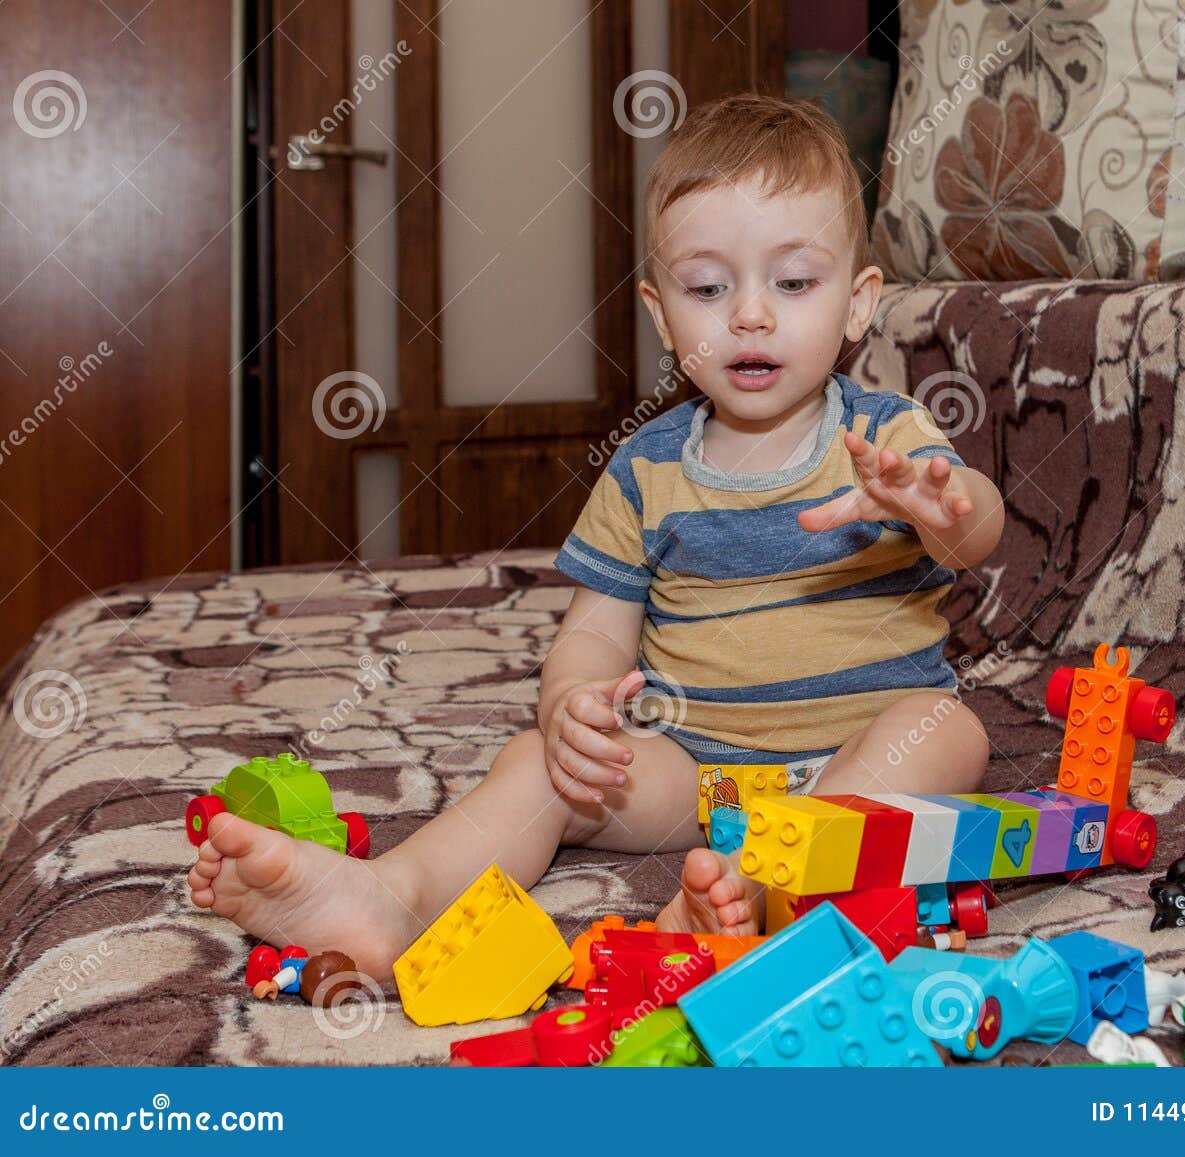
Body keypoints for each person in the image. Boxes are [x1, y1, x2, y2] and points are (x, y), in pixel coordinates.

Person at [187, 94, 1004, 980]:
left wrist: (936, 504)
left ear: (858, 301)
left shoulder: (886, 439)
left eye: (795, 282)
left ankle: (765, 892)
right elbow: (593, 633)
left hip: (860, 758)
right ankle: (392, 896)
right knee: (536, 766)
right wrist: (569, 706)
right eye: (708, 288)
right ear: (663, 317)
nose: (752, 315)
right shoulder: (644, 471)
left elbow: (977, 532)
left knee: (946, 729)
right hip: (701, 783)